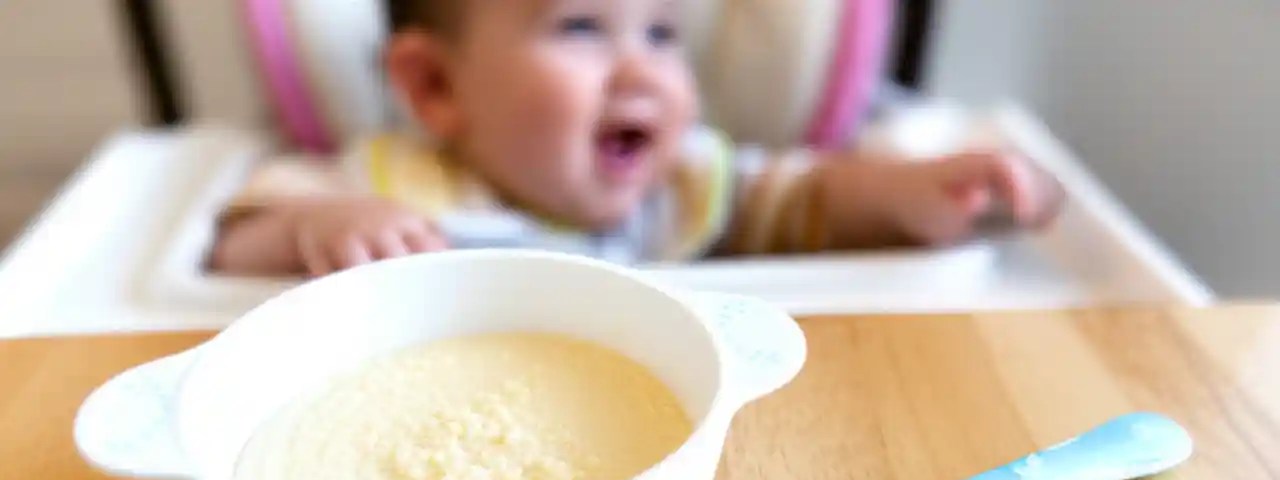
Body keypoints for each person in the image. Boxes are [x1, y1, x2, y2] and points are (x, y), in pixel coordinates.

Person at [209, 0, 1064, 277]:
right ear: (435, 87)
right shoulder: (393, 183)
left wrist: (916, 190)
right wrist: (312, 230)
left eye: (662, 35)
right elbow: (233, 245)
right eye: (582, 28)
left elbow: (809, 201)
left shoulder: (681, 190)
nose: (642, 72)